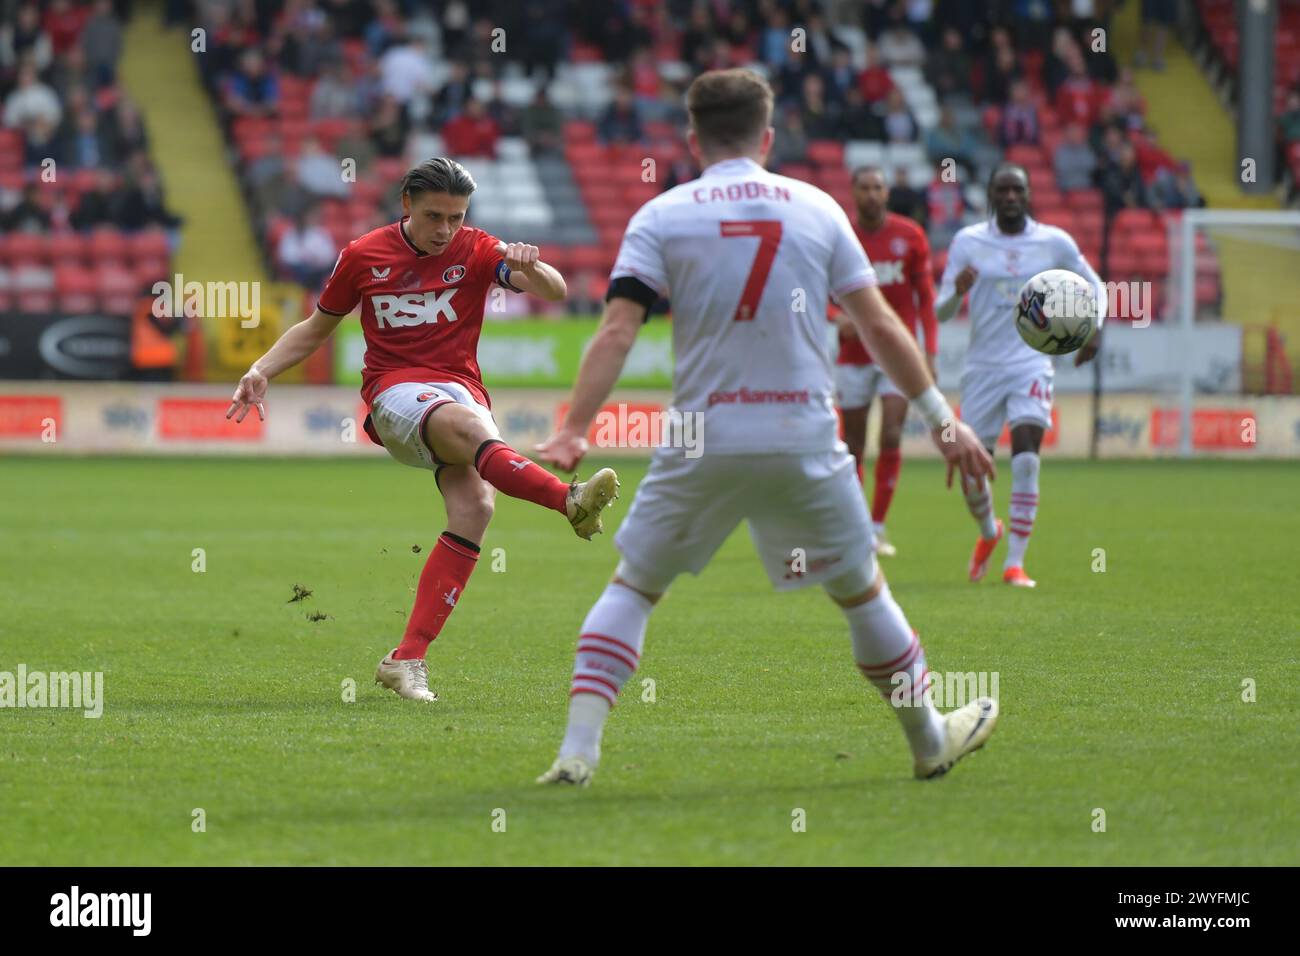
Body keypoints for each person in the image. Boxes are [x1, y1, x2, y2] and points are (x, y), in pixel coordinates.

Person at [534, 69, 998, 787]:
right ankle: (929, 740)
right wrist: (943, 420)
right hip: (801, 434)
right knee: (861, 590)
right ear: (769, 136)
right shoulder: (817, 208)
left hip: (703, 438)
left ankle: (578, 751)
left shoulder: (663, 215)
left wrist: (574, 429)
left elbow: (617, 331)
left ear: (692, 140)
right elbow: (880, 324)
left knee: (634, 588)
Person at [226, 157, 621, 702]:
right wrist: (260, 370)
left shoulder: (478, 247)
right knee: (462, 426)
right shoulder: (364, 255)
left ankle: (406, 659)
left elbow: (553, 291)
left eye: (456, 217)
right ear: (406, 204)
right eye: (434, 216)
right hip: (395, 393)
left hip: (461, 389)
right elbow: (317, 328)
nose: (445, 230)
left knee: (476, 509)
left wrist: (532, 266)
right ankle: (567, 500)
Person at [935, 164, 1104, 589]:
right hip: (982, 368)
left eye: (1018, 190)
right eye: (1003, 190)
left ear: (1028, 195)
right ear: (991, 195)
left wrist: (1094, 325)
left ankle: (1015, 564)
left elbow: (1095, 285)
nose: (1011, 196)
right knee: (974, 469)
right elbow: (940, 311)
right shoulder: (968, 242)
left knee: (1027, 452)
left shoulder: (1053, 242)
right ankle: (991, 532)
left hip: (1031, 362)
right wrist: (957, 290)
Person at [833, 166, 938, 557]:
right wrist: (835, 317)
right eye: (865, 187)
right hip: (854, 355)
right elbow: (817, 291)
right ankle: (857, 527)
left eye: (878, 187)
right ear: (854, 192)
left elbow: (925, 299)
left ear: (887, 193)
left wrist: (930, 352)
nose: (872, 194)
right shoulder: (841, 236)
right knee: (852, 445)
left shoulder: (909, 236)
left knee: (891, 434)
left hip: (897, 353)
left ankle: (877, 527)